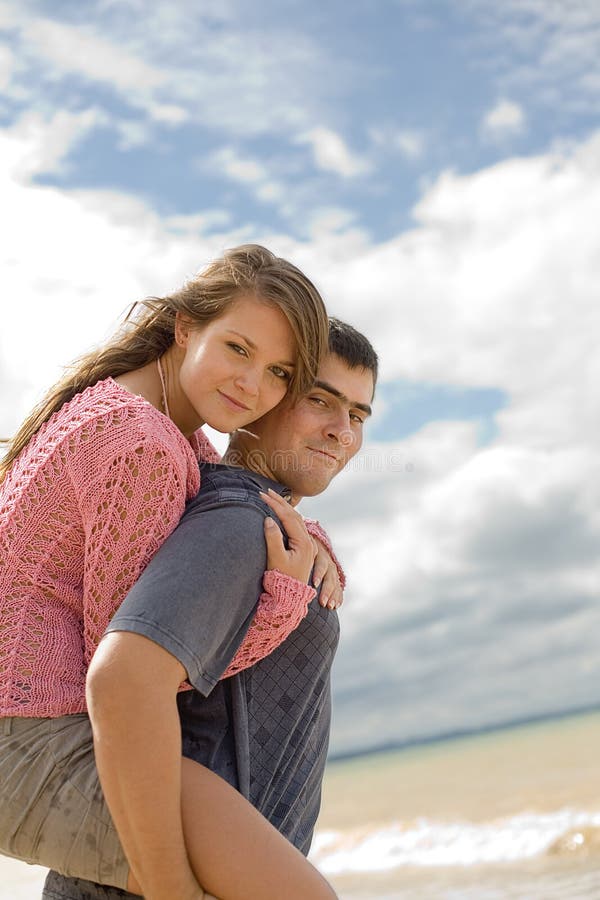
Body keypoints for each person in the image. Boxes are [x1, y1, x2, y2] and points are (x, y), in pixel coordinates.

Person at [0, 246, 346, 896]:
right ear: (187, 326)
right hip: (29, 744)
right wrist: (282, 601)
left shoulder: (146, 417)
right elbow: (135, 668)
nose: (251, 385)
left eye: (278, 373)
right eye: (238, 349)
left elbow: (219, 499)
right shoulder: (143, 444)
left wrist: (308, 535)